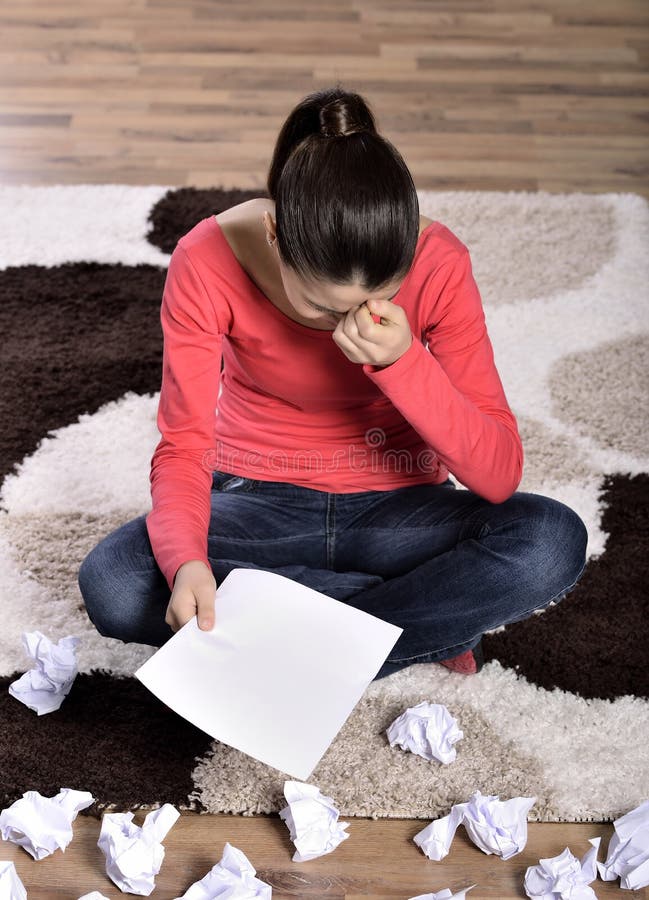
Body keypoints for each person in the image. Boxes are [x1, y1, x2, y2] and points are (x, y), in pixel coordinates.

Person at [78, 86, 588, 678]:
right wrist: (188, 562)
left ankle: (302, 642)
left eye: (382, 299)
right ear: (276, 236)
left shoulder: (441, 260)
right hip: (255, 499)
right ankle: (408, 625)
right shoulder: (208, 257)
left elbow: (498, 476)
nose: (351, 323)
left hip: (400, 509)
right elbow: (185, 444)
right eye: (324, 307)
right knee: (115, 582)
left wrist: (402, 363)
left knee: (550, 540)